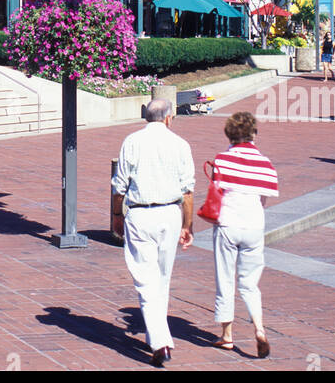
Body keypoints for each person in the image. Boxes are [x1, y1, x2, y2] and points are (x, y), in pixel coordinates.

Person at [110, 97, 195, 367]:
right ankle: (157, 335)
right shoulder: (180, 144)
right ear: (169, 118)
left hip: (140, 213)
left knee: (146, 278)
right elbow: (188, 190)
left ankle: (159, 341)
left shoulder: (132, 141)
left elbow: (119, 185)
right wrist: (187, 224)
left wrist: (116, 215)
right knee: (162, 276)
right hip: (170, 213)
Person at [209, 111, 277, 358]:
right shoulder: (265, 163)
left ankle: (227, 335)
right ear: (253, 134)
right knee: (250, 283)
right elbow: (264, 199)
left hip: (228, 223)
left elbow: (217, 190)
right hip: (254, 225)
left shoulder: (222, 160)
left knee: (225, 279)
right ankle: (259, 328)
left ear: (229, 134)